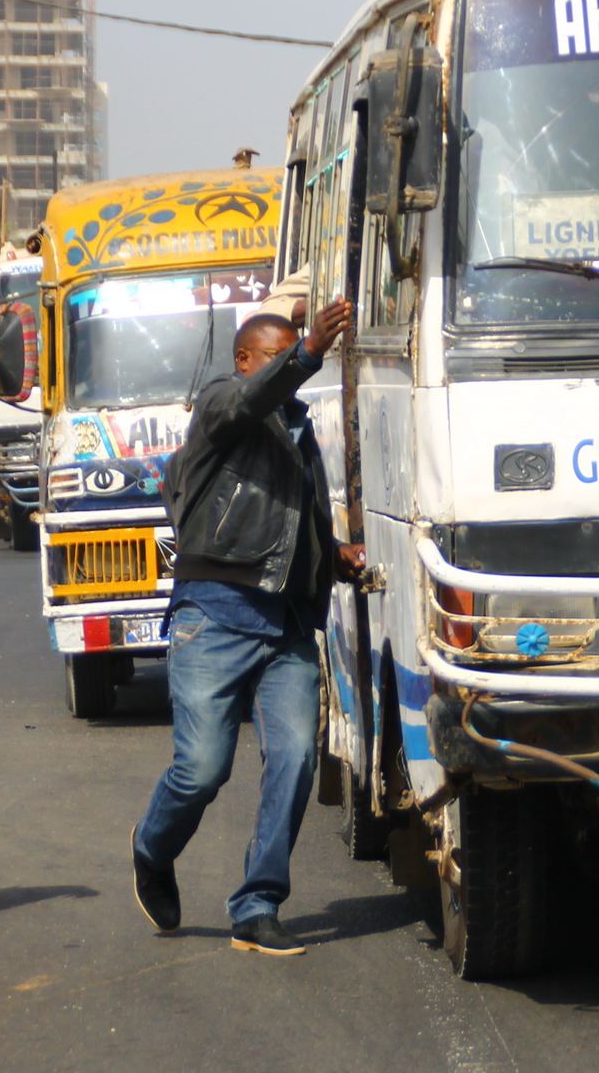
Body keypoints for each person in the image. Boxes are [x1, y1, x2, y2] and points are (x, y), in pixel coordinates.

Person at [131, 300, 364, 957]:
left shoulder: (295, 428)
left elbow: (295, 517)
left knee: (293, 760)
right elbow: (252, 399)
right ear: (244, 362)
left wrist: (334, 551)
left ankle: (257, 904)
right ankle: (153, 848)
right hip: (215, 614)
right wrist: (309, 349)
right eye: (279, 354)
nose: (293, 364)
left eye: (297, 352)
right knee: (203, 769)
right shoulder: (219, 409)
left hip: (285, 625)